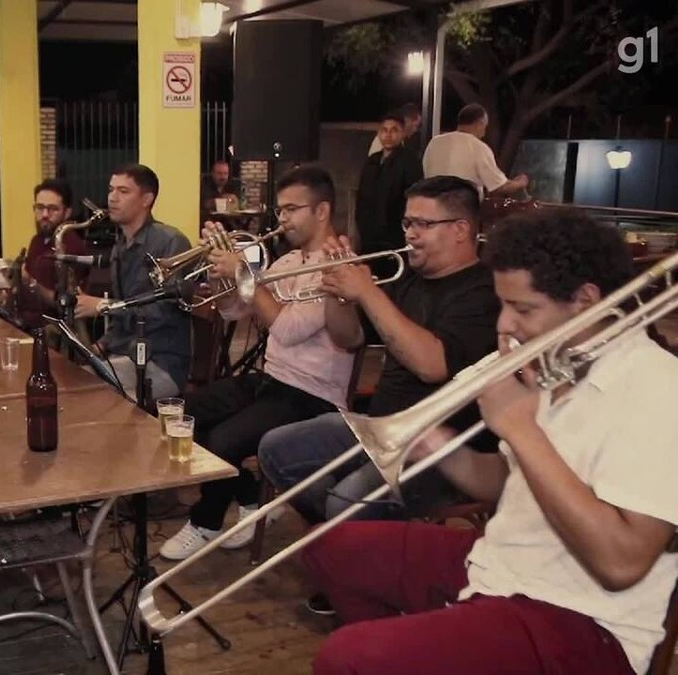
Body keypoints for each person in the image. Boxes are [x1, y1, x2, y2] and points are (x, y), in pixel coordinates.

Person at [305, 207, 678, 675]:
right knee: (331, 549)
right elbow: (505, 483)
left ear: (586, 300)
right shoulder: (554, 361)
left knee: (346, 658)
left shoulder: (659, 387)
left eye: (523, 309)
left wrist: (520, 428)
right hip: (501, 565)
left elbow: (621, 564)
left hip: (585, 621)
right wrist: (435, 444)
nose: (503, 326)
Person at [258, 175, 500, 536]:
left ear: (461, 229)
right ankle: (345, 542)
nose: (410, 234)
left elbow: (431, 365)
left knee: (347, 500)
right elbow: (349, 339)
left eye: (423, 223)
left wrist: (368, 293)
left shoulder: (483, 292)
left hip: (445, 449)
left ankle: (347, 544)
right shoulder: (411, 281)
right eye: (407, 222)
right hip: (379, 427)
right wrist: (335, 291)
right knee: (275, 448)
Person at [159, 166, 355, 560]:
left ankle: (205, 522)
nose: (281, 220)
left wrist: (247, 273)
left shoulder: (338, 265)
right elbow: (232, 311)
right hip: (271, 382)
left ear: (321, 211)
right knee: (179, 414)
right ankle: (250, 495)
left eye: (291, 209)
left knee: (224, 440)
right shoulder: (286, 262)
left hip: (312, 395)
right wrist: (221, 275)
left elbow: (286, 328)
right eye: (279, 210)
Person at [74, 164, 192, 400]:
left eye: (123, 191)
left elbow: (165, 311)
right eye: (111, 189)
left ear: (147, 199)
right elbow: (123, 319)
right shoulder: (120, 245)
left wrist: (104, 306)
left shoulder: (170, 241)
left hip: (161, 362)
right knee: (74, 383)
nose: (112, 198)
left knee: (93, 398)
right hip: (126, 357)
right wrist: (102, 344)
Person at [355, 110, 424, 260]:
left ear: (402, 133)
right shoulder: (372, 160)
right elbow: (361, 195)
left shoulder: (410, 161)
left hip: (394, 234)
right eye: (384, 130)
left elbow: (414, 196)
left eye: (394, 130)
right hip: (369, 234)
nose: (388, 135)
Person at [422, 103, 530, 198]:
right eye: (485, 126)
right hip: (461, 211)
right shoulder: (478, 147)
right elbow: (499, 186)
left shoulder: (435, 142)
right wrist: (520, 182)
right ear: (480, 123)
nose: (484, 133)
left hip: (431, 208)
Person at [22, 178, 90, 308]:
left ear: (67, 213)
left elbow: (65, 304)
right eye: (40, 208)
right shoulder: (37, 240)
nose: (45, 215)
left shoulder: (71, 246)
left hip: (52, 325)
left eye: (53, 209)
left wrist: (30, 282)